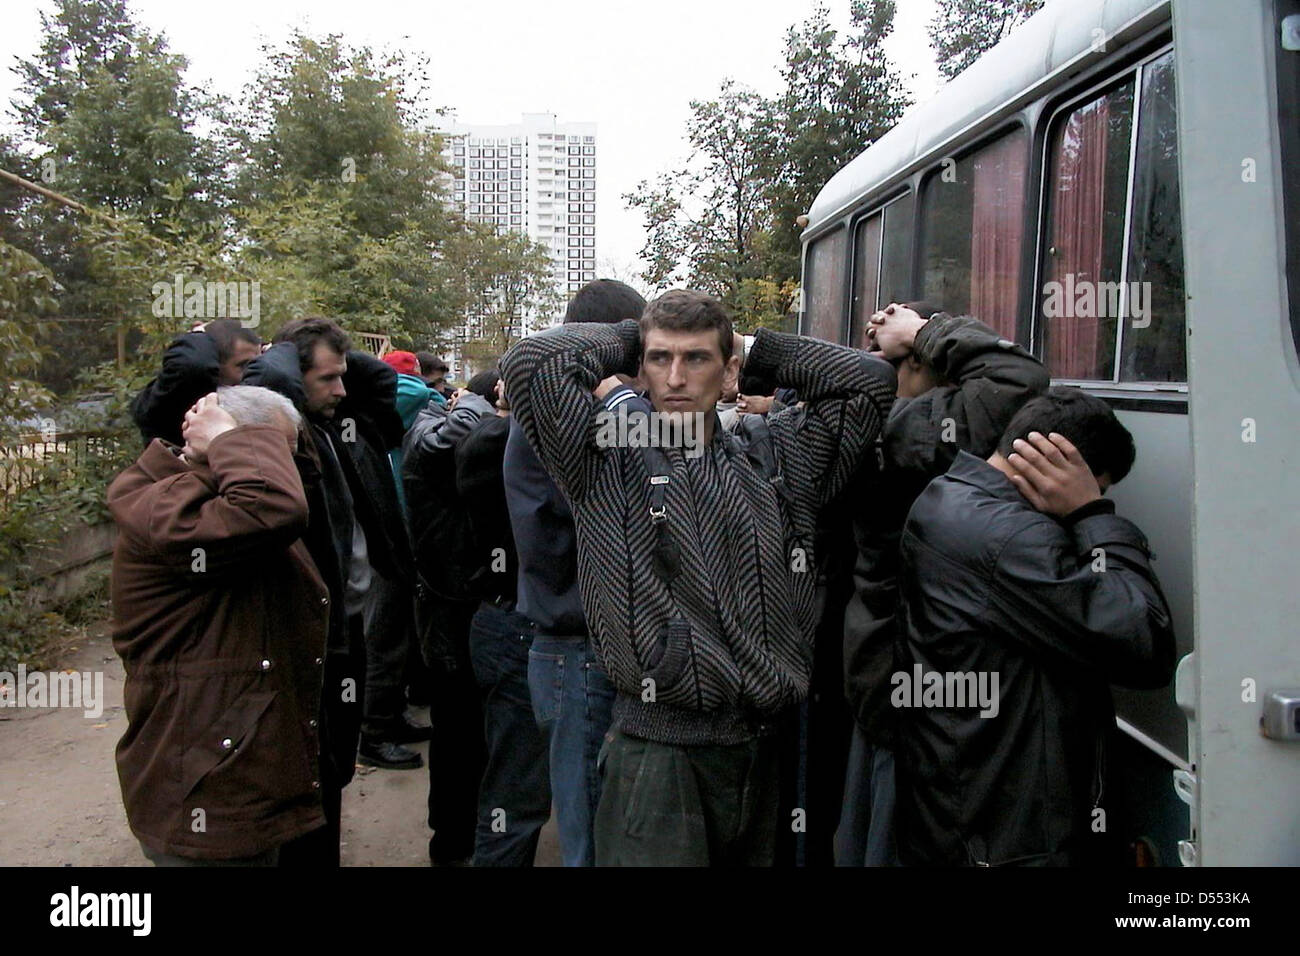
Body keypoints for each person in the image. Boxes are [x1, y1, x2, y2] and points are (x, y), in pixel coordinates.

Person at [500, 288, 896, 866]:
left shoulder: (779, 454)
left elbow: (868, 382)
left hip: (761, 750)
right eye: (661, 360)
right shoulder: (609, 457)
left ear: (729, 368)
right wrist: (632, 338)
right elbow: (533, 363)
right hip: (659, 757)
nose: (677, 377)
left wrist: (754, 349)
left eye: (698, 358)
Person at [893, 387, 1176, 866]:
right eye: (1099, 485)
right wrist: (1090, 512)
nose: (1097, 498)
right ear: (1058, 466)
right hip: (1014, 839)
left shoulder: (948, 494)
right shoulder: (1013, 538)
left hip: (962, 814)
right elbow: (1145, 642)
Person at [835, 301, 1050, 867]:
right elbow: (1017, 378)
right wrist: (928, 332)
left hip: (885, 676)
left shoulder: (890, 430)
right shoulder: (901, 431)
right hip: (910, 692)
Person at [109, 386, 325, 865]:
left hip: (227, 766)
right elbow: (274, 506)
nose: (281, 467)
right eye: (269, 451)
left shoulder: (210, 493)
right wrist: (229, 434)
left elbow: (298, 489)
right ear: (224, 443)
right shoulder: (171, 507)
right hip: (204, 777)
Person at [240, 318, 403, 859]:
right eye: (327, 378)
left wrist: (334, 356)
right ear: (292, 375)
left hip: (347, 625)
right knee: (306, 768)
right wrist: (285, 355)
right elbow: (274, 383)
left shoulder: (340, 424)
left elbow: (380, 383)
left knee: (333, 764)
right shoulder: (275, 437)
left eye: (341, 375)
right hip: (305, 635)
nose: (341, 389)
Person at [505, 278, 644, 867]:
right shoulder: (572, 420)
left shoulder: (556, 414)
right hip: (578, 649)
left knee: (600, 819)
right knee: (591, 825)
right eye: (645, 352)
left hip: (578, 648)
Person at [403, 370, 500, 864]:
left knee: (458, 731)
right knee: (464, 733)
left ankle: (454, 837)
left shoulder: (426, 434)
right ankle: (456, 840)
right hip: (455, 609)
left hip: (448, 606)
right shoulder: (442, 447)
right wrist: (478, 408)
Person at [457, 374, 552, 866]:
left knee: (507, 775)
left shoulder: (483, 438)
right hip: (520, 623)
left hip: (496, 614)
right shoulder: (516, 447)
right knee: (517, 788)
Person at [130, 319, 262, 446]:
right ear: (215, 364)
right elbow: (194, 364)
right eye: (244, 365)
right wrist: (197, 335)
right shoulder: (172, 398)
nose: (254, 373)